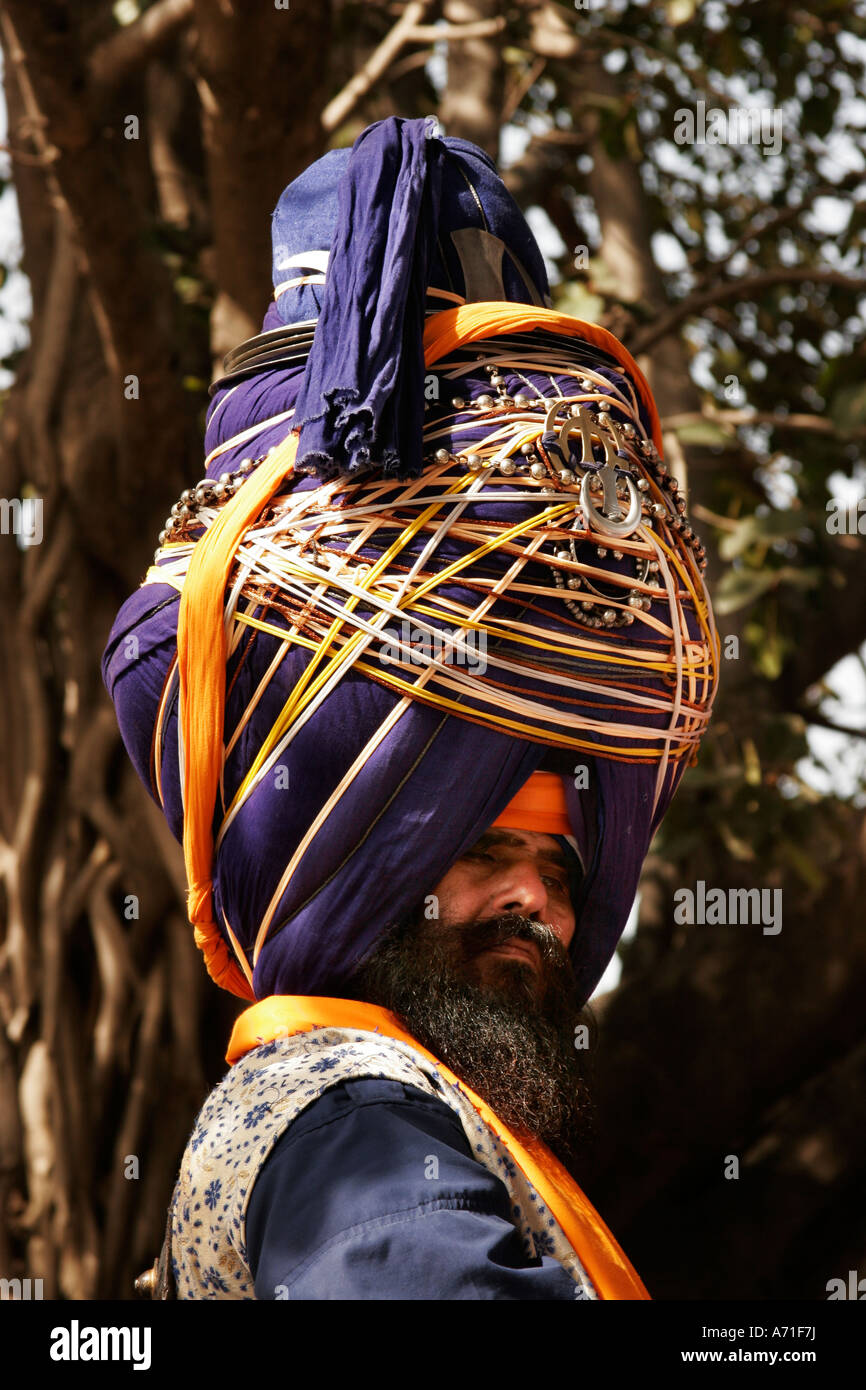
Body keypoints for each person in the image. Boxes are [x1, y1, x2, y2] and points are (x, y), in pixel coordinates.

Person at [104, 116, 718, 1300]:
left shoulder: (405, 1109)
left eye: (557, 868)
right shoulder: (348, 1115)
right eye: (484, 848)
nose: (536, 901)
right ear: (360, 851)